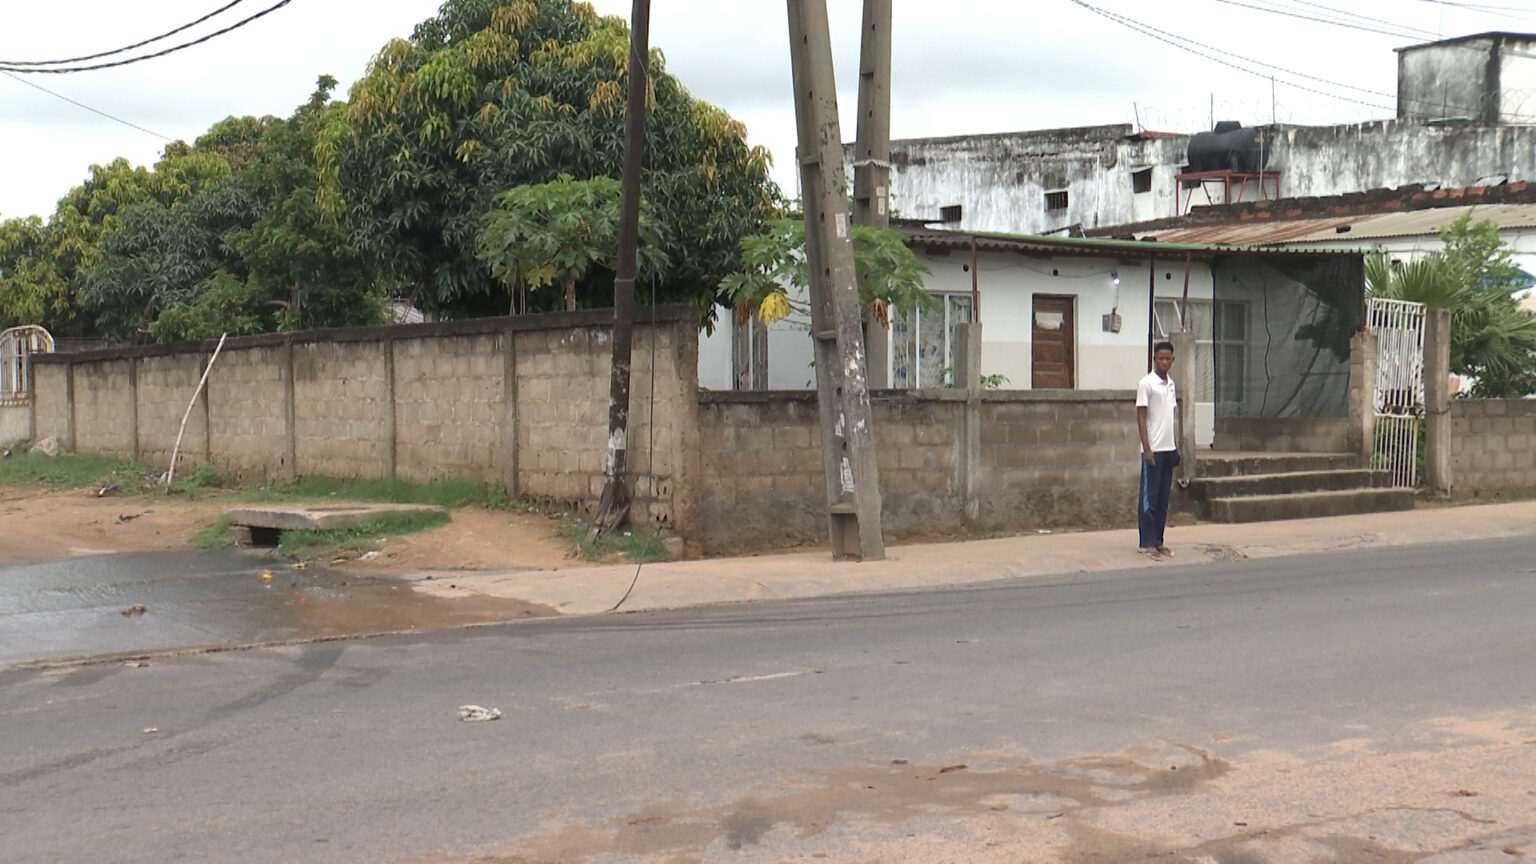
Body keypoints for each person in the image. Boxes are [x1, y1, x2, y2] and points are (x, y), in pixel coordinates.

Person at [1136, 341, 1179, 560]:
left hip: (1168, 448)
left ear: (1172, 360)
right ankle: (1147, 542)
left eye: (1167, 358)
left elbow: (1170, 417)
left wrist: (1175, 447)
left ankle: (1159, 540)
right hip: (1152, 450)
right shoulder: (1147, 384)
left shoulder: (1171, 384)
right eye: (1160, 358)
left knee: (1163, 498)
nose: (1163, 362)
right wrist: (1147, 449)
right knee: (1149, 498)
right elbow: (1141, 417)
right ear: (1154, 359)